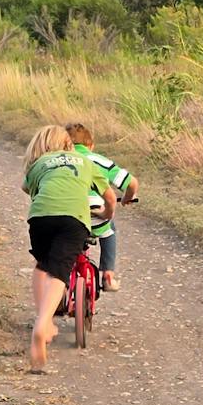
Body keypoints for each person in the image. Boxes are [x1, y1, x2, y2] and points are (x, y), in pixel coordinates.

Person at [22, 125, 115, 369]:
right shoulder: (84, 161)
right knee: (60, 271)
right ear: (68, 144)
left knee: (43, 265)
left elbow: (27, 189)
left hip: (40, 218)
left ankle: (46, 316)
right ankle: (42, 325)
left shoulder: (39, 163)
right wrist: (106, 213)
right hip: (73, 219)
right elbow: (109, 197)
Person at [65, 122, 139, 291]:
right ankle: (107, 274)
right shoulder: (99, 160)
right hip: (93, 214)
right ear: (91, 145)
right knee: (109, 230)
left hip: (61, 213)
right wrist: (127, 197)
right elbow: (132, 183)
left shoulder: (56, 159)